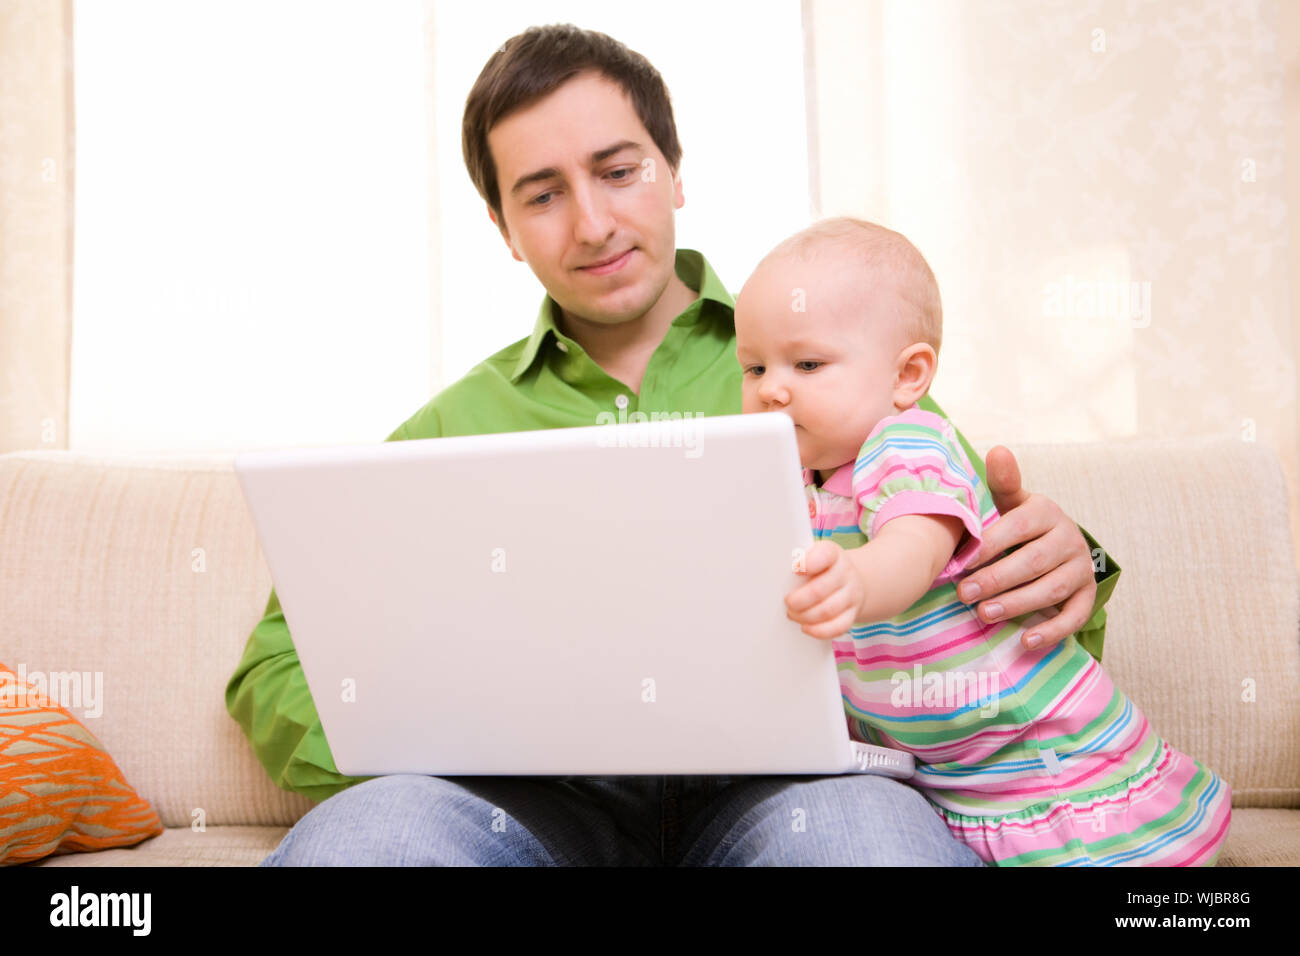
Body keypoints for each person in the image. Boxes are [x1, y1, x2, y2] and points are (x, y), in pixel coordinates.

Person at [227, 23, 1122, 866]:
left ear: (674, 170)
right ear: (503, 229)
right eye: (541, 195)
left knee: (867, 848)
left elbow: (962, 571)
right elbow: (272, 667)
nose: (593, 223)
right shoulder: (447, 429)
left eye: (619, 171)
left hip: (798, 785)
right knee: (373, 842)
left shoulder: (835, 366)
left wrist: (1059, 567)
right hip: (525, 802)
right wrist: (432, 738)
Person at [739, 216, 1230, 865]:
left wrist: (856, 580)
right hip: (957, 775)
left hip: (1039, 761)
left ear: (908, 376)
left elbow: (913, 547)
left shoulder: (906, 444)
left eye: (807, 363)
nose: (772, 389)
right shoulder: (794, 482)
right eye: (754, 367)